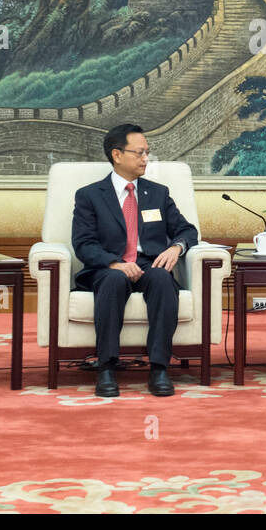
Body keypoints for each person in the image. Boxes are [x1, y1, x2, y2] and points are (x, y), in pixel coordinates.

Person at [71, 123, 196, 398]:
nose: (145, 159)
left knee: (163, 278)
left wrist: (176, 248)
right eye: (139, 153)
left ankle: (159, 368)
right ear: (117, 155)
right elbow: (83, 244)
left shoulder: (158, 193)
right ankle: (106, 368)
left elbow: (187, 230)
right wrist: (114, 262)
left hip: (148, 265)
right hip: (108, 268)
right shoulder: (90, 196)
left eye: (147, 153)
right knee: (114, 280)